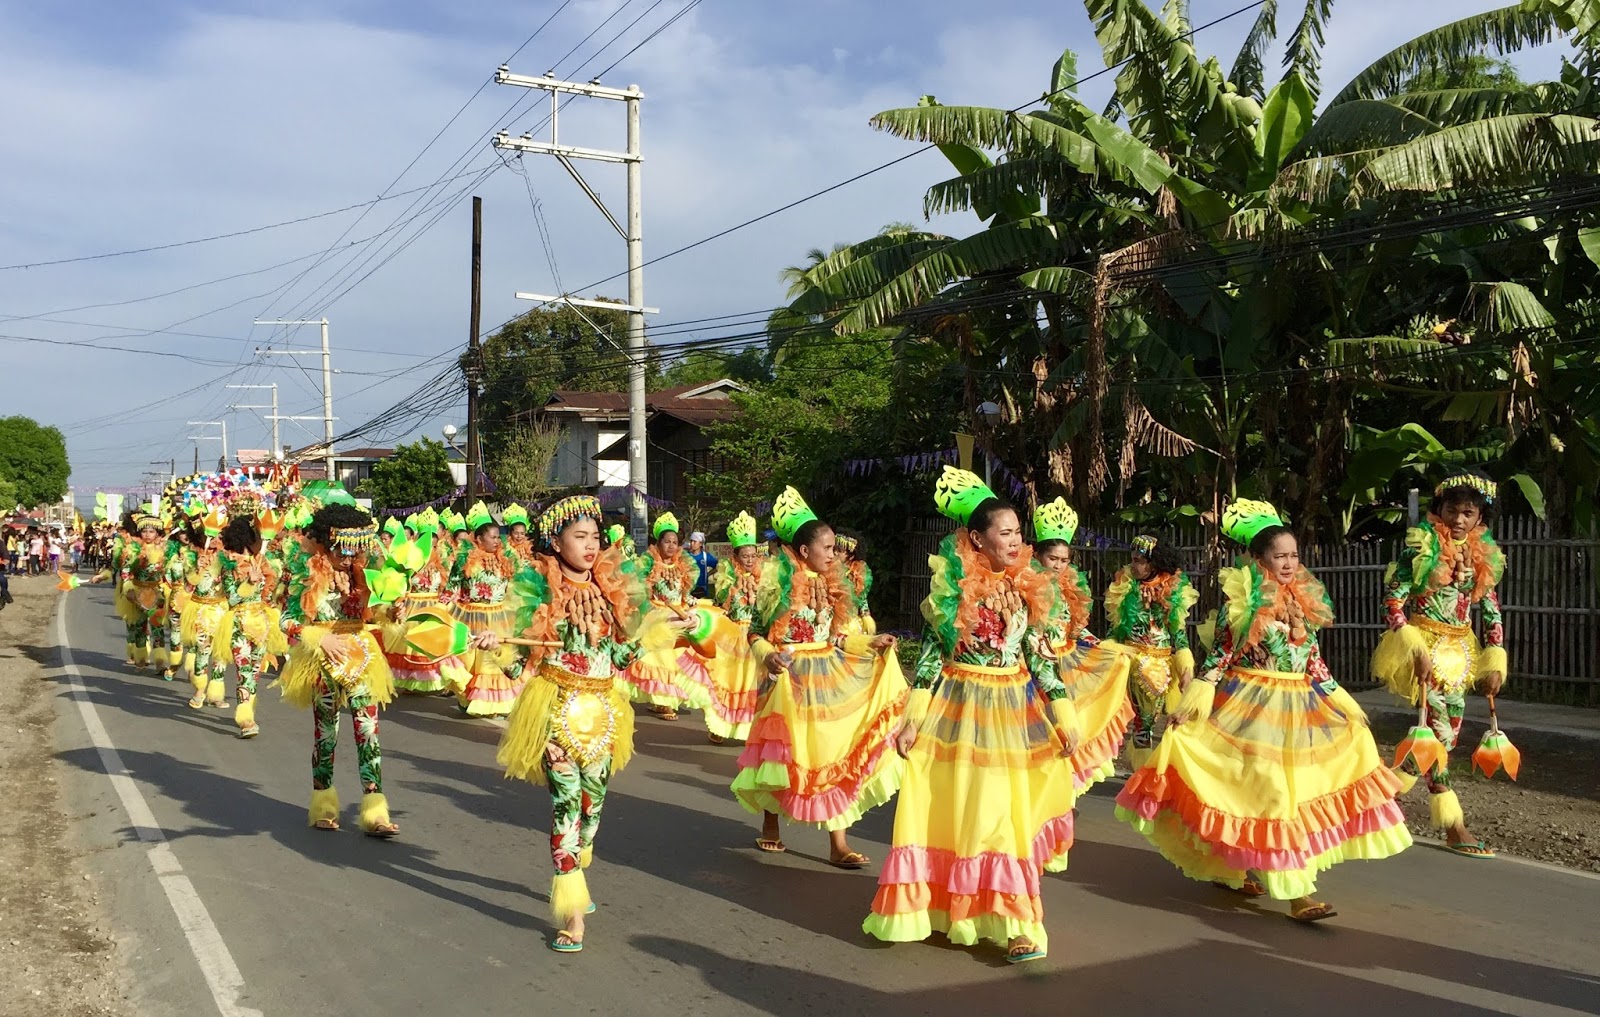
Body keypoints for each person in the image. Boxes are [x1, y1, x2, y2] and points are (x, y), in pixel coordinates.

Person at [1116, 499, 1413, 922]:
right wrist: (1193, 703)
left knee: (1292, 795)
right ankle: (1297, 892)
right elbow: (1218, 658)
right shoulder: (1243, 602)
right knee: (1272, 796)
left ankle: (1244, 868)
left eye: (1294, 555)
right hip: (1249, 709)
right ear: (1259, 559)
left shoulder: (1304, 602)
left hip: (1300, 709)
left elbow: (1312, 661)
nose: (1289, 563)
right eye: (1280, 556)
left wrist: (1341, 702)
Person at [865, 468, 1078, 964]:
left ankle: (1020, 922)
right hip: (958, 711)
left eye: (1018, 533)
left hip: (1014, 712)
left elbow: (1041, 660)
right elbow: (933, 656)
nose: (1015, 540)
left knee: (1009, 815)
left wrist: (1064, 716)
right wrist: (913, 718)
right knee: (962, 811)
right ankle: (953, 908)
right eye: (1004, 532)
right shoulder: (952, 588)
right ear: (977, 539)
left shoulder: (1032, 587)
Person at [490, 495, 702, 953]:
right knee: (566, 803)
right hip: (555, 707)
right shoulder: (537, 590)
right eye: (578, 536)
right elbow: (516, 666)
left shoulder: (612, 589)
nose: (589, 545)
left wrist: (662, 633)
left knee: (592, 809)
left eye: (594, 537)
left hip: (604, 711)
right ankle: (570, 906)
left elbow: (620, 656)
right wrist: (493, 646)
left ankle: (576, 865)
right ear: (556, 541)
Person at [731, 487, 905, 868]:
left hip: (827, 677)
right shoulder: (776, 583)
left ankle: (837, 842)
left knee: (832, 754)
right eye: (827, 548)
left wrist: (871, 641)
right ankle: (771, 822)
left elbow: (837, 636)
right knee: (782, 757)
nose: (834, 553)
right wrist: (770, 655)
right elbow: (756, 632)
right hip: (787, 678)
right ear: (805, 551)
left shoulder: (834, 583)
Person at [1373, 470, 1508, 858]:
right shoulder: (1420, 548)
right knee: (1438, 736)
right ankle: (1453, 824)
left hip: (1460, 656)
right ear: (1439, 510)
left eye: (1469, 513)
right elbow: (1393, 602)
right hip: (1425, 651)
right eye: (1453, 510)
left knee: (1444, 737)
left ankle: (1376, 797)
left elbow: (1492, 610)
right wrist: (1413, 647)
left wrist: (1494, 660)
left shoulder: (1484, 555)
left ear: (1479, 516)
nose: (1459, 520)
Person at [277, 503, 406, 837]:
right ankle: (324, 804)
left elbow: (372, 612)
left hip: (362, 657)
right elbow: (287, 621)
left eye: (354, 552)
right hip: (323, 662)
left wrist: (391, 612)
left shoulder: (364, 573)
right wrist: (318, 638)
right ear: (325, 543)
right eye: (342, 552)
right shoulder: (306, 571)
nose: (348, 559)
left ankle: (375, 812)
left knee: (368, 732)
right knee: (327, 734)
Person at [1033, 497, 1133, 793]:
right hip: (1038, 663)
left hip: (1068, 662)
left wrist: (1101, 646)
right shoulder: (1027, 584)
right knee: (1044, 729)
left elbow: (1075, 629)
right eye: (1053, 559)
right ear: (1037, 555)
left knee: (1071, 726)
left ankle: (1062, 787)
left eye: (1065, 560)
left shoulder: (1069, 586)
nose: (1059, 566)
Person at [1103, 533, 1198, 769]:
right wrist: (1105, 655)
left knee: (1159, 722)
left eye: (1139, 561)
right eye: (1132, 560)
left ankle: (1159, 769)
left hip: (1161, 668)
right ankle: (1143, 771)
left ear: (1153, 563)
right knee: (1142, 722)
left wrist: (1186, 669)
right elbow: (1116, 630)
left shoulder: (1173, 590)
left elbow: (1179, 635)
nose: (1133, 565)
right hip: (1132, 664)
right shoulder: (1124, 586)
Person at [623, 512, 708, 721]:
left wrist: (688, 601)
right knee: (660, 660)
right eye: (667, 541)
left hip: (679, 616)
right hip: (658, 616)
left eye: (674, 542)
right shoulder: (648, 562)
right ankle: (664, 703)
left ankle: (667, 699)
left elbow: (685, 589)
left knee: (680, 661)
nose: (671, 545)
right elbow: (639, 589)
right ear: (658, 543)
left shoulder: (685, 564)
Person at [447, 502, 526, 717]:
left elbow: (521, 582)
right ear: (479, 539)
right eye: (492, 537)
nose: (496, 541)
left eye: (497, 536)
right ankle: (467, 698)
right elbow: (451, 586)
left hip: (499, 616)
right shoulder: (464, 559)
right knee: (470, 661)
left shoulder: (507, 559)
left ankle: (497, 704)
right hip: (471, 615)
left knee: (497, 660)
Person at [217, 507, 285, 738]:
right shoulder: (229, 565)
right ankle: (246, 718)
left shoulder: (264, 563)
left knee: (256, 670)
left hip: (262, 622)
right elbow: (232, 598)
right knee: (243, 670)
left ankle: (248, 711)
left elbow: (270, 593)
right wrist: (248, 582)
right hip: (238, 623)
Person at [701, 511, 766, 744]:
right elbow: (721, 600)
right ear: (736, 555)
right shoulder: (725, 573)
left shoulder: (766, 575)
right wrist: (735, 588)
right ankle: (719, 726)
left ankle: (748, 729)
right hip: (733, 633)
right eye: (745, 555)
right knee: (728, 681)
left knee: (753, 684)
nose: (750, 559)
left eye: (753, 555)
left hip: (755, 636)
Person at [385, 510, 459, 695]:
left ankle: (437, 680)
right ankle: (411, 682)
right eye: (427, 537)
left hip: (434, 605)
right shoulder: (410, 556)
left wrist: (445, 602)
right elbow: (400, 579)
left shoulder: (444, 557)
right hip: (413, 606)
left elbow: (450, 581)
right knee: (411, 646)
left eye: (433, 537)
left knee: (434, 644)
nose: (431, 541)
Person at [835, 533, 876, 636]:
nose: (835, 553)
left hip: (850, 621)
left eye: (839, 551)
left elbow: (862, 599)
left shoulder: (857, 575)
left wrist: (866, 616)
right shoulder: (827, 570)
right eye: (833, 549)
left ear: (851, 555)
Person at [687, 530, 718, 600]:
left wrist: (708, 574)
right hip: (689, 589)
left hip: (702, 589)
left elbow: (717, 566)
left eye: (694, 541)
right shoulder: (687, 556)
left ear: (700, 544)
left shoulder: (705, 556)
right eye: (691, 541)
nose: (692, 543)